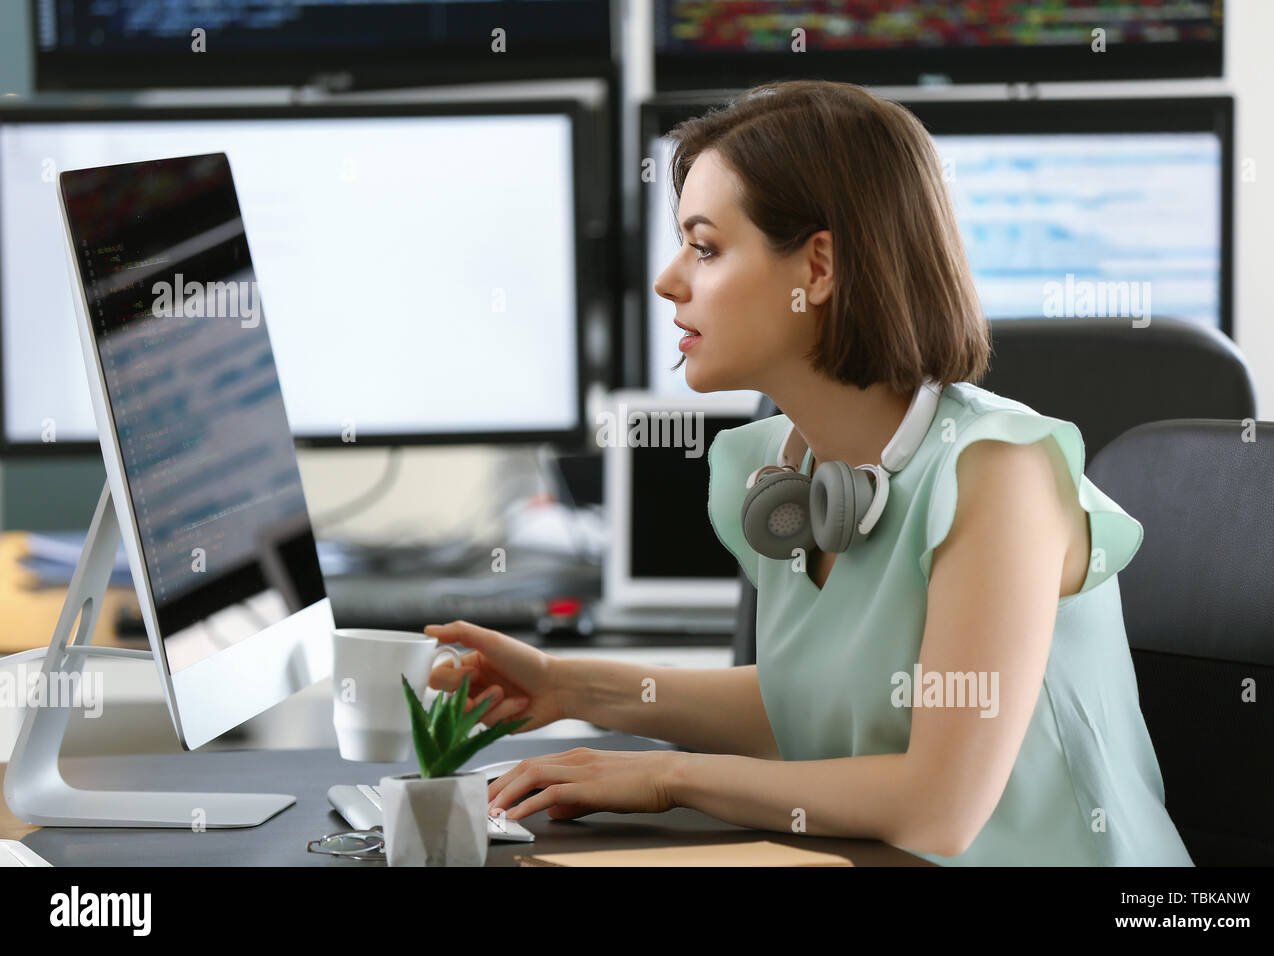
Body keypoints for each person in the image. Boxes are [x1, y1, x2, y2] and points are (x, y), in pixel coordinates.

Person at [426, 79, 1194, 865]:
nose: (668, 280)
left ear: (818, 268)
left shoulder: (999, 472)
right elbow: (820, 706)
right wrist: (565, 686)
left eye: (705, 246)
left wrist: (667, 776)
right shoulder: (781, 471)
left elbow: (938, 810)